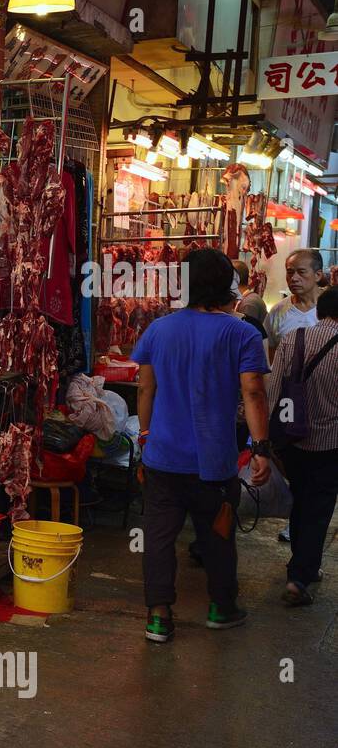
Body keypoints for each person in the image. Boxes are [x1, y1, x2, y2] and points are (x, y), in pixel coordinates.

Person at [132, 248, 271, 643]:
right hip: (214, 461)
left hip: (162, 457)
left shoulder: (159, 329)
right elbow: (254, 393)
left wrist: (145, 435)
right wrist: (261, 448)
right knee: (219, 535)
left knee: (158, 537)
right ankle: (221, 608)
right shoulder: (242, 332)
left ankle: (158, 617)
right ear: (228, 285)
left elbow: (146, 387)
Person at [266, 285, 338, 607]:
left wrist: (267, 440)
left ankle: (302, 563)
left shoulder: (293, 339)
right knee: (318, 508)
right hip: (330, 444)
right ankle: (299, 577)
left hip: (292, 439)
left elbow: (272, 391)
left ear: (320, 311)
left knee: (300, 498)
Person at [265, 249, 324, 543]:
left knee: (318, 473)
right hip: (289, 404)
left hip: (323, 404)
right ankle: (295, 520)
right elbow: (273, 360)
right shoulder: (278, 313)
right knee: (291, 463)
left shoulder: (328, 313)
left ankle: (306, 527)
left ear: (318, 275)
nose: (294, 278)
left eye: (301, 272)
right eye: (290, 272)